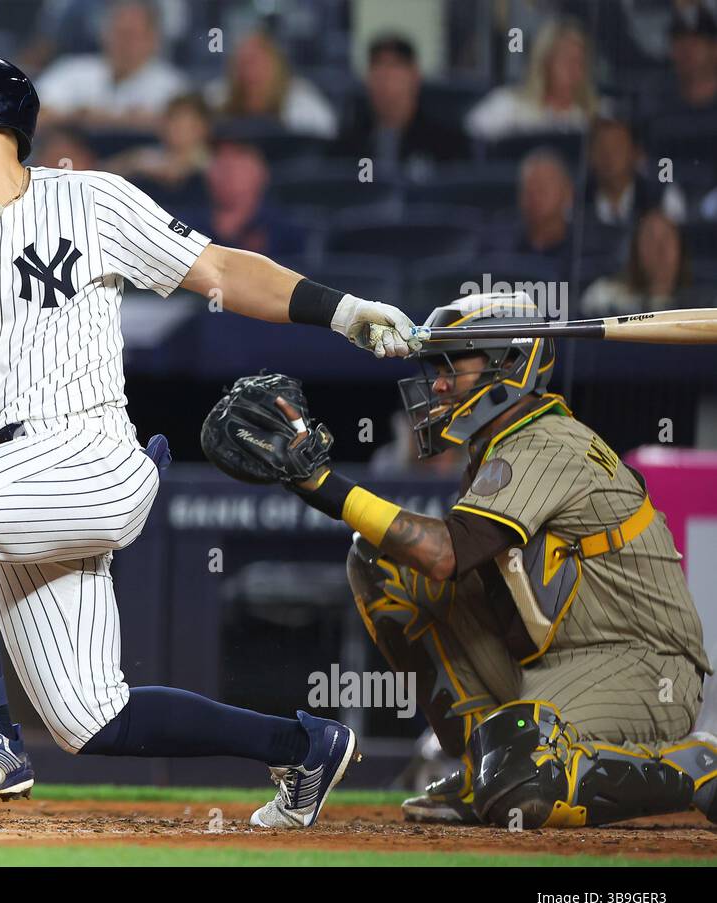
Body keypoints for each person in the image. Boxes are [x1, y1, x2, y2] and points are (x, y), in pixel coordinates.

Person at [0, 50, 419, 828]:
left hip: (87, 453)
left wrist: (342, 309)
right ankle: (303, 744)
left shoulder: (90, 200)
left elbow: (218, 268)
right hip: (6, 481)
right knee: (90, 718)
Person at [204, 291, 716, 829]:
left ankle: (694, 768)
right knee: (382, 562)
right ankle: (484, 764)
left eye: (453, 367)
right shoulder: (495, 448)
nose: (439, 384)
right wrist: (316, 483)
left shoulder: (547, 442)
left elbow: (446, 553)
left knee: (525, 784)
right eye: (436, 369)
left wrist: (324, 484)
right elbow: (429, 556)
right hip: (555, 659)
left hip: (641, 666)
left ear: (510, 366)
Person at [36, 0, 188, 128]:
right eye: (119, 33)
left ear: (154, 39)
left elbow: (184, 130)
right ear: (104, 34)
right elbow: (34, 112)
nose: (125, 42)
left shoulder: (172, 85)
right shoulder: (72, 70)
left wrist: (117, 120)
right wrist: (78, 115)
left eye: (133, 34)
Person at [334, 34, 469, 175]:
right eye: (377, 68)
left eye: (394, 67)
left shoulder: (447, 145)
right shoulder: (346, 148)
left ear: (414, 76)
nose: (385, 79)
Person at [465, 19, 599, 141]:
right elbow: (469, 139)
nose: (574, 71)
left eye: (580, 63)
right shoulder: (508, 106)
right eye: (566, 61)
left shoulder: (590, 118)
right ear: (544, 63)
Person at [208, 29, 338, 139]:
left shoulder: (302, 103)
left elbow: (325, 137)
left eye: (256, 63)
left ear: (276, 66)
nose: (249, 73)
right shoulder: (219, 97)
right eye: (243, 64)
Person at [581, 207, 703, 315]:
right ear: (636, 249)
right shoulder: (604, 297)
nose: (660, 249)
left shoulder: (702, 308)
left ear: (681, 248)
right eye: (651, 239)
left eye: (666, 238)